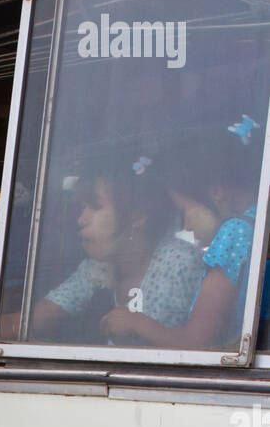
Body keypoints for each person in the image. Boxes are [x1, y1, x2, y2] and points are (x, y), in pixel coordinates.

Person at [100, 117, 263, 349]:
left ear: (216, 191)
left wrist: (134, 322)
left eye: (184, 211)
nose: (186, 226)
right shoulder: (259, 222)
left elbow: (196, 342)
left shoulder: (236, 232)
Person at [28, 148, 203, 345]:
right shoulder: (97, 267)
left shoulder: (179, 263)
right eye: (82, 208)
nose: (81, 220)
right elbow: (40, 316)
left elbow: (203, 347)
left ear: (137, 215)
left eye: (95, 207)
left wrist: (141, 326)